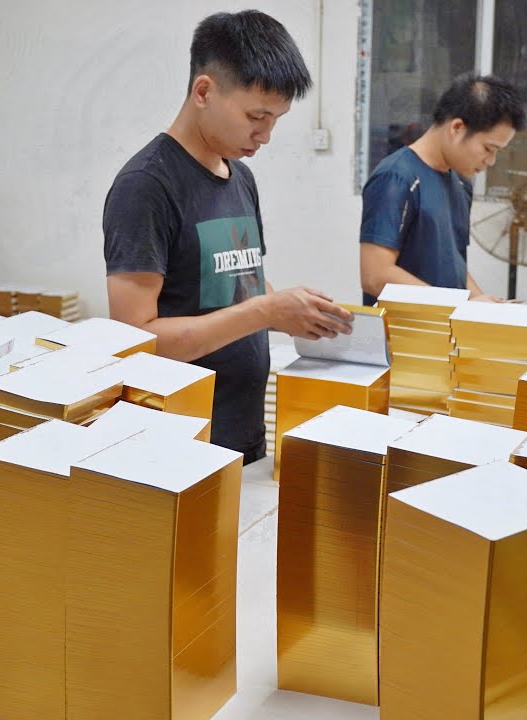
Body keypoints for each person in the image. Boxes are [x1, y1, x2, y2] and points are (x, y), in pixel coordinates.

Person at [103, 10, 352, 465]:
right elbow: (135, 339)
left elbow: (242, 282)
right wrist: (264, 311)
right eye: (256, 116)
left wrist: (295, 311)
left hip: (242, 433)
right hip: (177, 449)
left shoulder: (240, 177)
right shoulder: (146, 185)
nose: (266, 135)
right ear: (204, 91)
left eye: (275, 119)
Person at [358, 74, 527, 305]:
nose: (491, 161)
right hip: (402, 336)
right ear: (457, 127)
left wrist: (480, 301)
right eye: (489, 148)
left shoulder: (460, 183)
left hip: (443, 333)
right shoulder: (396, 178)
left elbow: (453, 263)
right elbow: (375, 276)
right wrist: (461, 304)